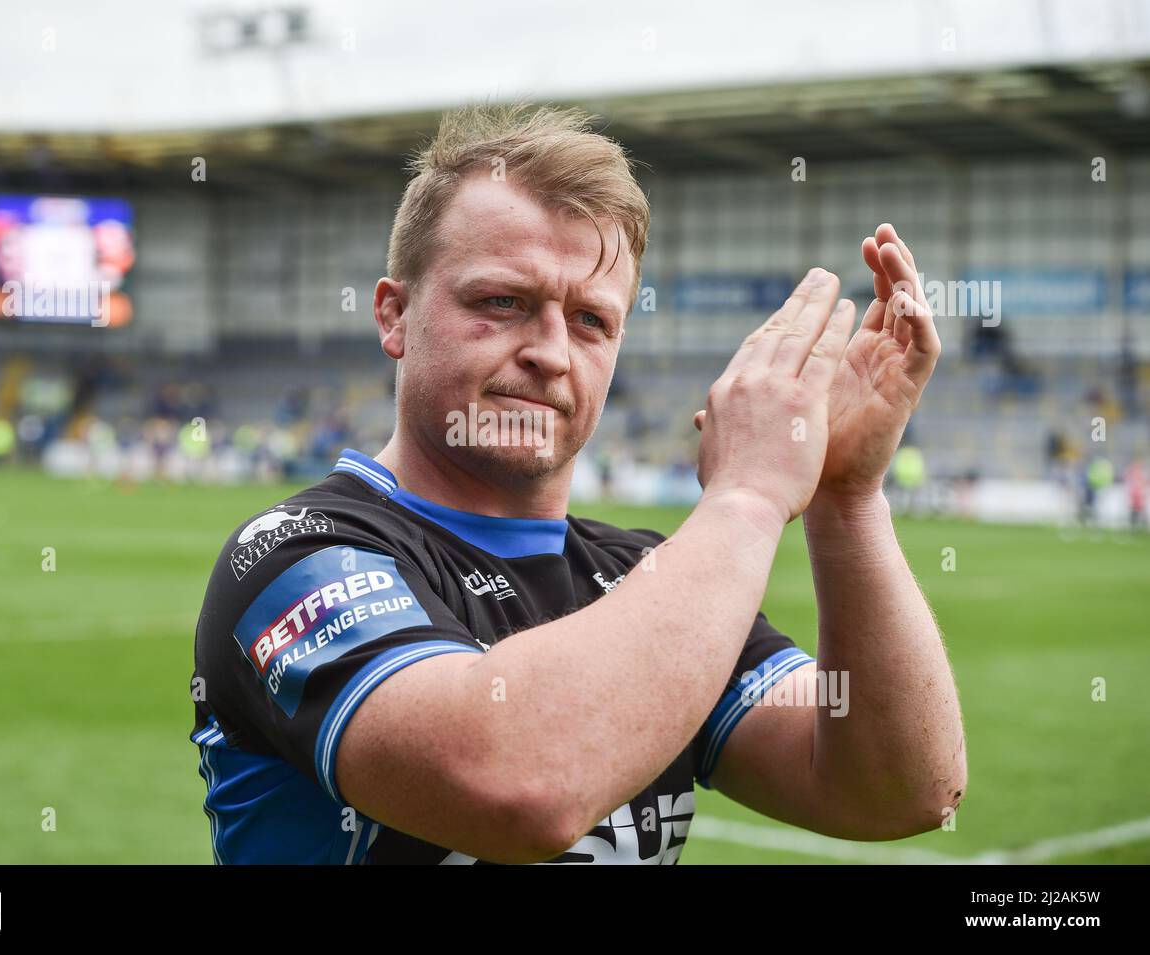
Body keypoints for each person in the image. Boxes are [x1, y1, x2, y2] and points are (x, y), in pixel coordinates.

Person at [189, 104, 966, 864]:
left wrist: (844, 497)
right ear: (394, 316)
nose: (553, 353)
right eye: (502, 303)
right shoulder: (294, 558)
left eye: (592, 320)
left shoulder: (645, 578)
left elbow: (899, 790)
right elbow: (519, 786)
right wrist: (749, 497)